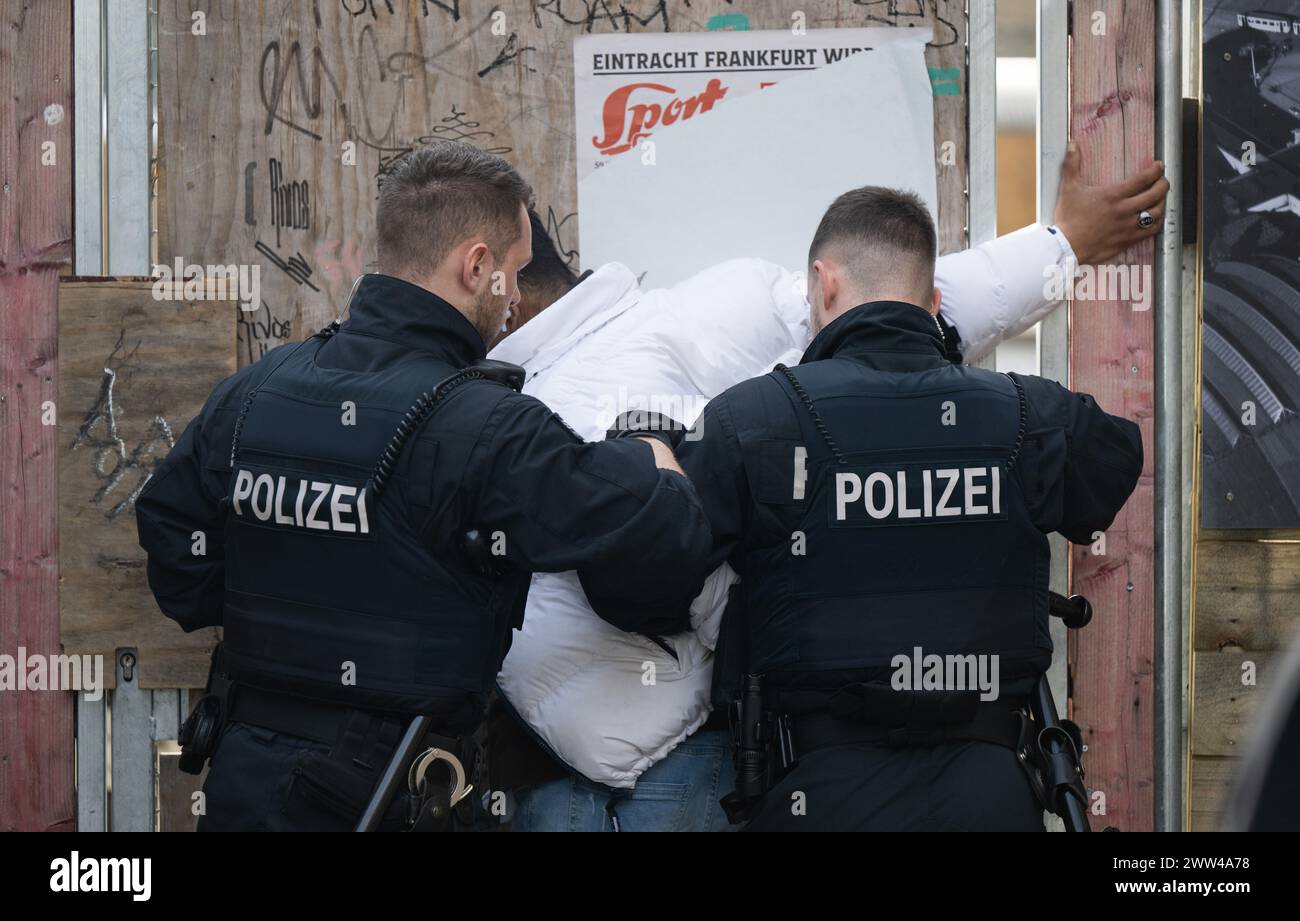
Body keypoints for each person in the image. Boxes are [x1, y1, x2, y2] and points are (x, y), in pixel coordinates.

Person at [489, 150, 1167, 832]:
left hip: (818, 792)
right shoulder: (1029, 416)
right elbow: (1114, 459)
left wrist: (648, 459)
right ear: (935, 304)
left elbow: (641, 588)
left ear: (823, 284)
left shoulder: (752, 423)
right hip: (992, 789)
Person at [134, 141, 712, 832]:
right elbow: (662, 533)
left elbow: (175, 552)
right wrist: (652, 453)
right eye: (514, 271)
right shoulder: (484, 426)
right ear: (475, 267)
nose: (517, 299)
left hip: (242, 782)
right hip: (393, 792)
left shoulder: (255, 390)